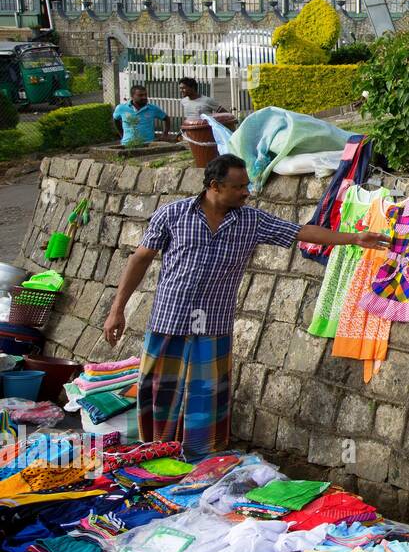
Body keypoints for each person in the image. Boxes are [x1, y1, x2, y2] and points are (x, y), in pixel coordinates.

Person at [103, 154, 390, 455]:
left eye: (247, 185)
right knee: (159, 393)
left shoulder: (251, 221)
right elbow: (140, 259)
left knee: (208, 398)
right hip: (169, 319)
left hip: (213, 324)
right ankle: (154, 453)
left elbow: (301, 232)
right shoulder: (172, 214)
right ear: (215, 186)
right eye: (239, 187)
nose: (246, 192)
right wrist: (116, 310)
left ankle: (202, 459)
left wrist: (355, 237)